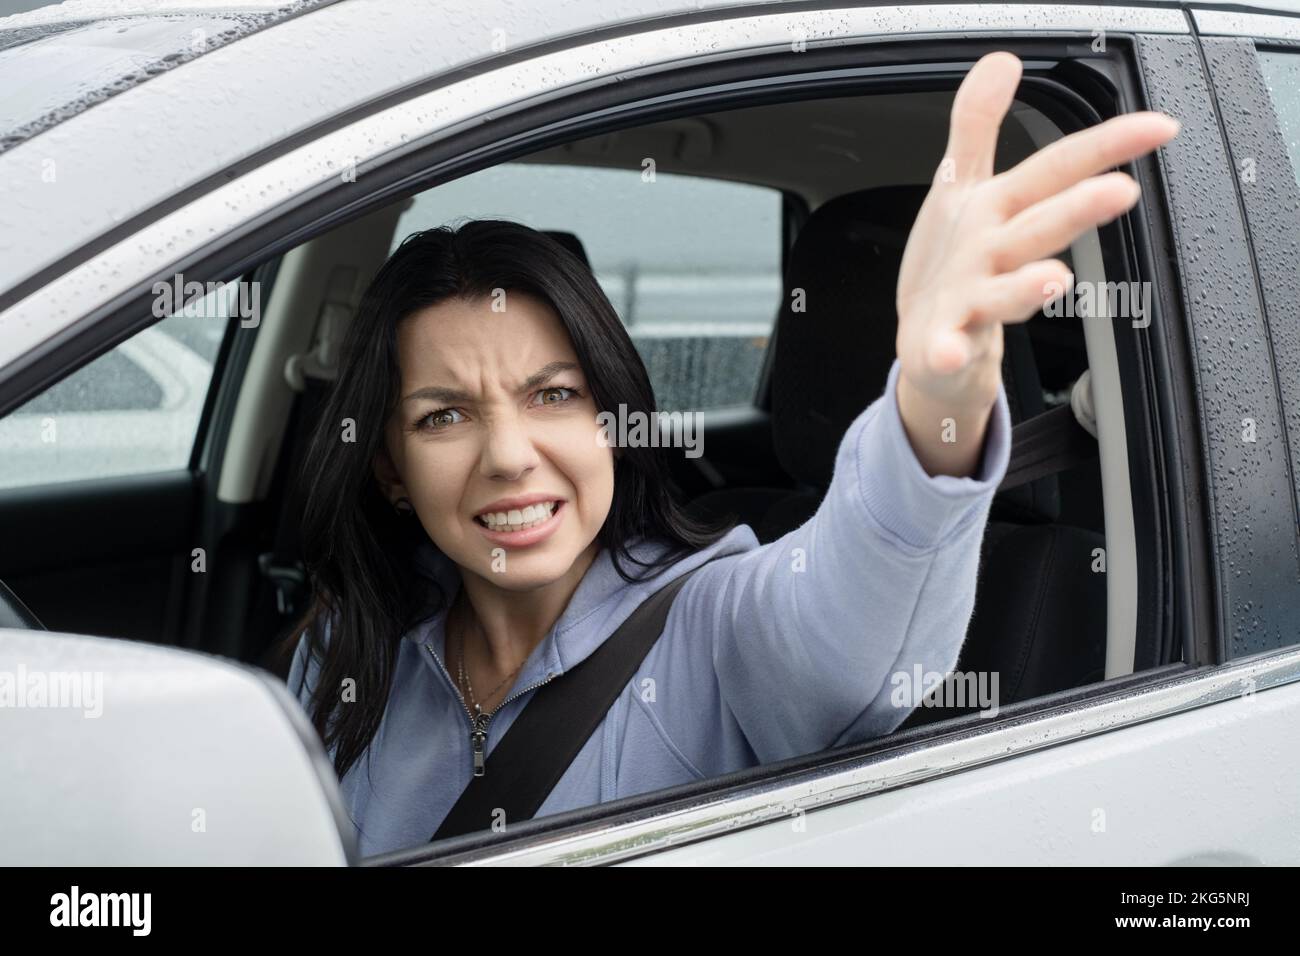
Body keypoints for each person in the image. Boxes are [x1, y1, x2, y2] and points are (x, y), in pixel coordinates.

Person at [285, 51, 1180, 856]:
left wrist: (936, 400)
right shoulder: (347, 652)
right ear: (391, 468)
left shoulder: (719, 621)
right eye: (444, 417)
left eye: (554, 395)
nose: (510, 456)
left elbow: (859, 590)